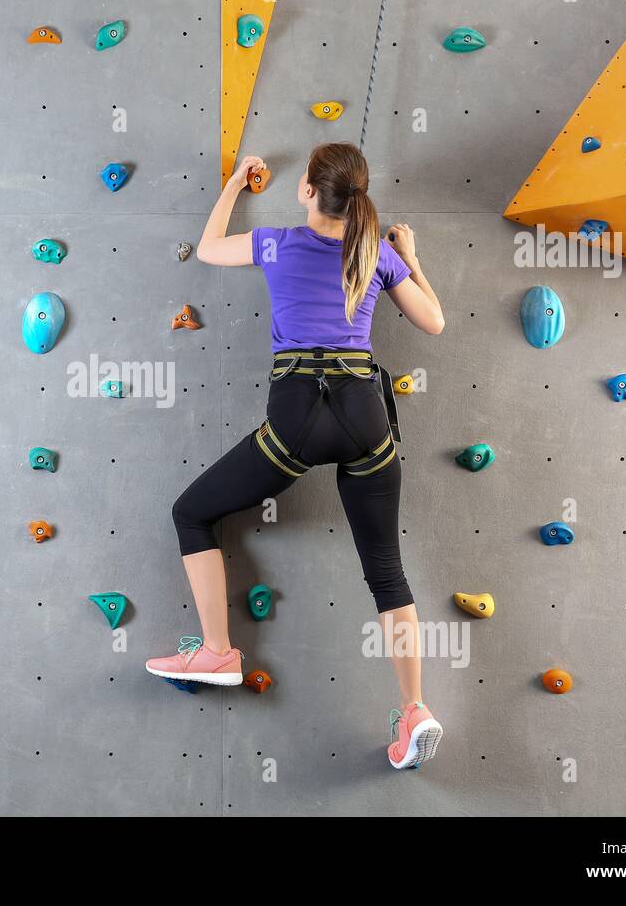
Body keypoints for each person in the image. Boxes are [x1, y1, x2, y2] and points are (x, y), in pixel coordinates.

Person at [144, 143, 447, 769]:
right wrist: (411, 260)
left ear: (309, 191)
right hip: (366, 417)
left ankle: (219, 651)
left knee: (192, 513)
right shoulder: (376, 253)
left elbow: (208, 247)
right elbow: (434, 322)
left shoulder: (277, 243)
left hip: (296, 422)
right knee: (387, 575)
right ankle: (414, 708)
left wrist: (233, 184)